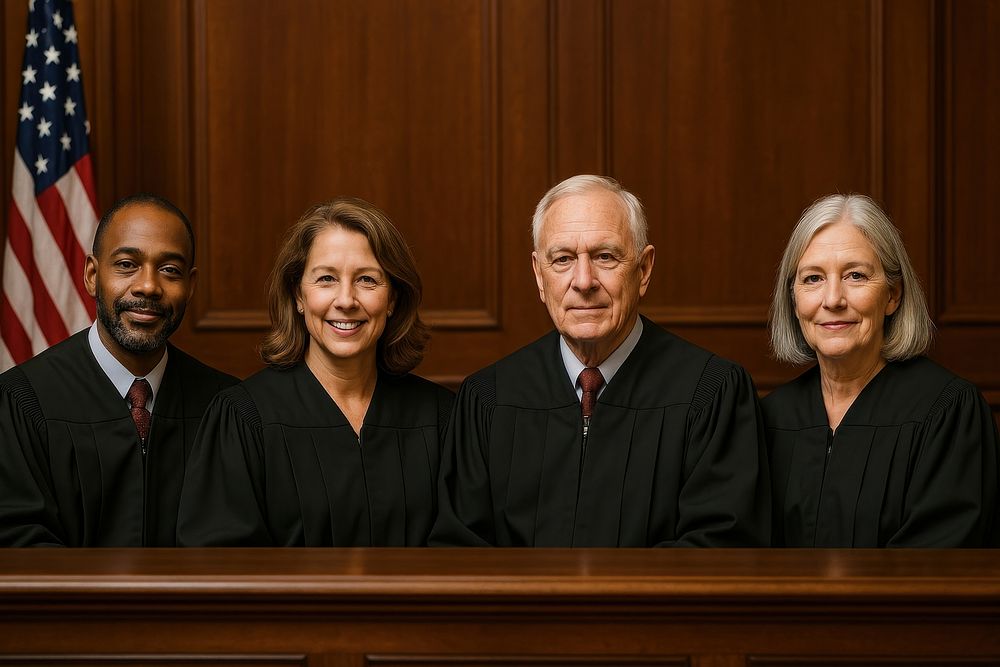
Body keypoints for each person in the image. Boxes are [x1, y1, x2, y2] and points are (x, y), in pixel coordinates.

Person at [430, 175, 770, 547]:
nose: (583, 280)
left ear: (643, 270)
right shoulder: (488, 399)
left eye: (605, 256)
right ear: (539, 277)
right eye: (562, 259)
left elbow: (720, 550)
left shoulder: (712, 394)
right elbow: (461, 554)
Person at [177, 197, 454, 546]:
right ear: (298, 295)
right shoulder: (245, 419)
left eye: (367, 279)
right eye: (326, 279)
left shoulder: (441, 418)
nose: (346, 300)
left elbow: (461, 553)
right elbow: (222, 569)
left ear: (393, 299)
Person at [0, 194, 238, 546]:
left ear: (191, 287)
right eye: (127, 264)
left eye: (169, 270)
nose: (147, 286)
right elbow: (19, 544)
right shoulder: (22, 401)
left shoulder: (225, 408)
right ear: (93, 275)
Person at [765, 193, 999, 547]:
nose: (832, 299)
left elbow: (939, 568)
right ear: (794, 300)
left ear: (893, 295)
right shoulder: (769, 418)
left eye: (855, 275)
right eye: (812, 278)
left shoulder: (947, 412)